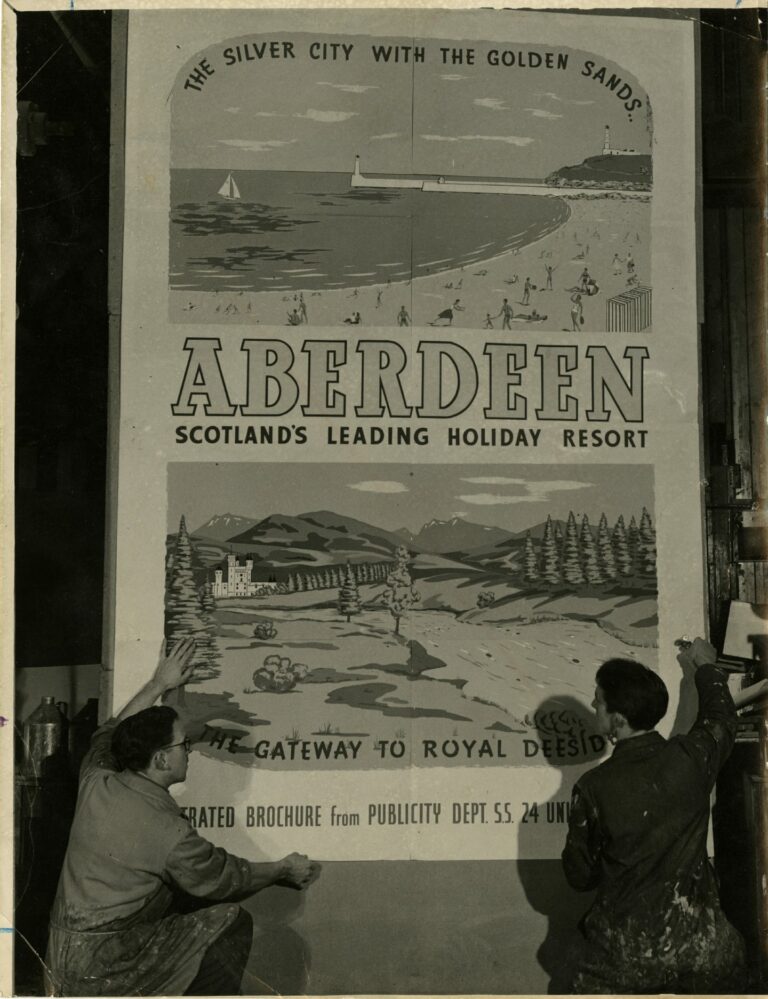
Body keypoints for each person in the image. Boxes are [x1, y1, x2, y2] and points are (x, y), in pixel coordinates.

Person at [46, 639, 319, 997]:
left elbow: (107, 734)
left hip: (60, 957)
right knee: (229, 920)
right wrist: (282, 869)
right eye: (183, 745)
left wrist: (159, 684)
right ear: (160, 760)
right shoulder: (169, 832)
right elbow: (224, 877)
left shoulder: (97, 780)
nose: (189, 752)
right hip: (106, 964)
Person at [561, 639, 745, 994]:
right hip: (705, 953)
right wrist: (704, 667)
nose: (593, 705)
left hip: (624, 960)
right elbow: (722, 717)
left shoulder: (593, 787)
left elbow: (580, 876)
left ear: (617, 718)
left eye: (597, 699)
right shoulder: (692, 757)